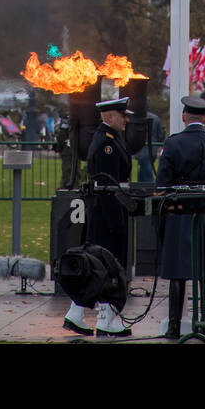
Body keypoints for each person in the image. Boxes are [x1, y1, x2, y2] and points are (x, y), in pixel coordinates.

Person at [156, 96, 205, 340]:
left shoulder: (173, 144)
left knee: (178, 272)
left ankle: (174, 327)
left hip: (180, 213)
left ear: (184, 117)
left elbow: (162, 184)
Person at [63, 97, 133, 339]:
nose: (126, 119)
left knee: (97, 267)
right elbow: (108, 187)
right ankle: (105, 319)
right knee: (108, 268)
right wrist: (117, 223)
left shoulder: (109, 139)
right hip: (108, 214)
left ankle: (77, 314)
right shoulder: (107, 144)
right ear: (109, 116)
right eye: (123, 115)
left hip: (105, 212)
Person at [135, 110, 166, 183]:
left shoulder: (137, 117)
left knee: (146, 173)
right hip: (152, 150)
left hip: (140, 150)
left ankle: (150, 190)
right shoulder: (156, 118)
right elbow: (160, 135)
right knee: (143, 172)